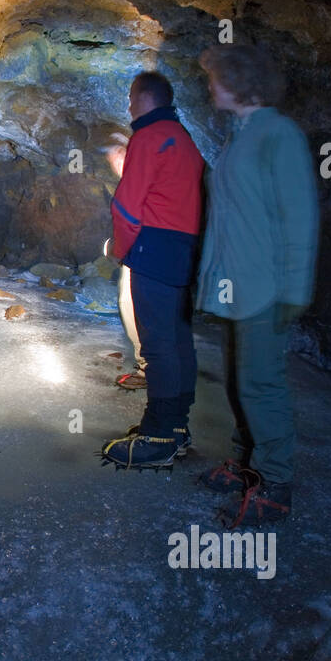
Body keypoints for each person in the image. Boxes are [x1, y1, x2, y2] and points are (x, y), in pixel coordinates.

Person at [193, 44, 319, 527]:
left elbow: (299, 216)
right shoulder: (238, 134)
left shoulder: (277, 134)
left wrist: (294, 290)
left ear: (239, 82)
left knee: (261, 385)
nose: (210, 87)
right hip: (235, 283)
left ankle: (274, 484)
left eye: (216, 78)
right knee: (238, 380)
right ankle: (246, 464)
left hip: (265, 286)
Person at [100, 71, 205, 470]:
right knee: (178, 341)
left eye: (130, 99)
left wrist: (124, 250)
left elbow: (127, 205)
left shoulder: (148, 135)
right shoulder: (185, 139)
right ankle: (175, 427)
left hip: (152, 247)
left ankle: (157, 436)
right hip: (181, 248)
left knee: (158, 346)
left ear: (144, 99)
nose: (128, 106)